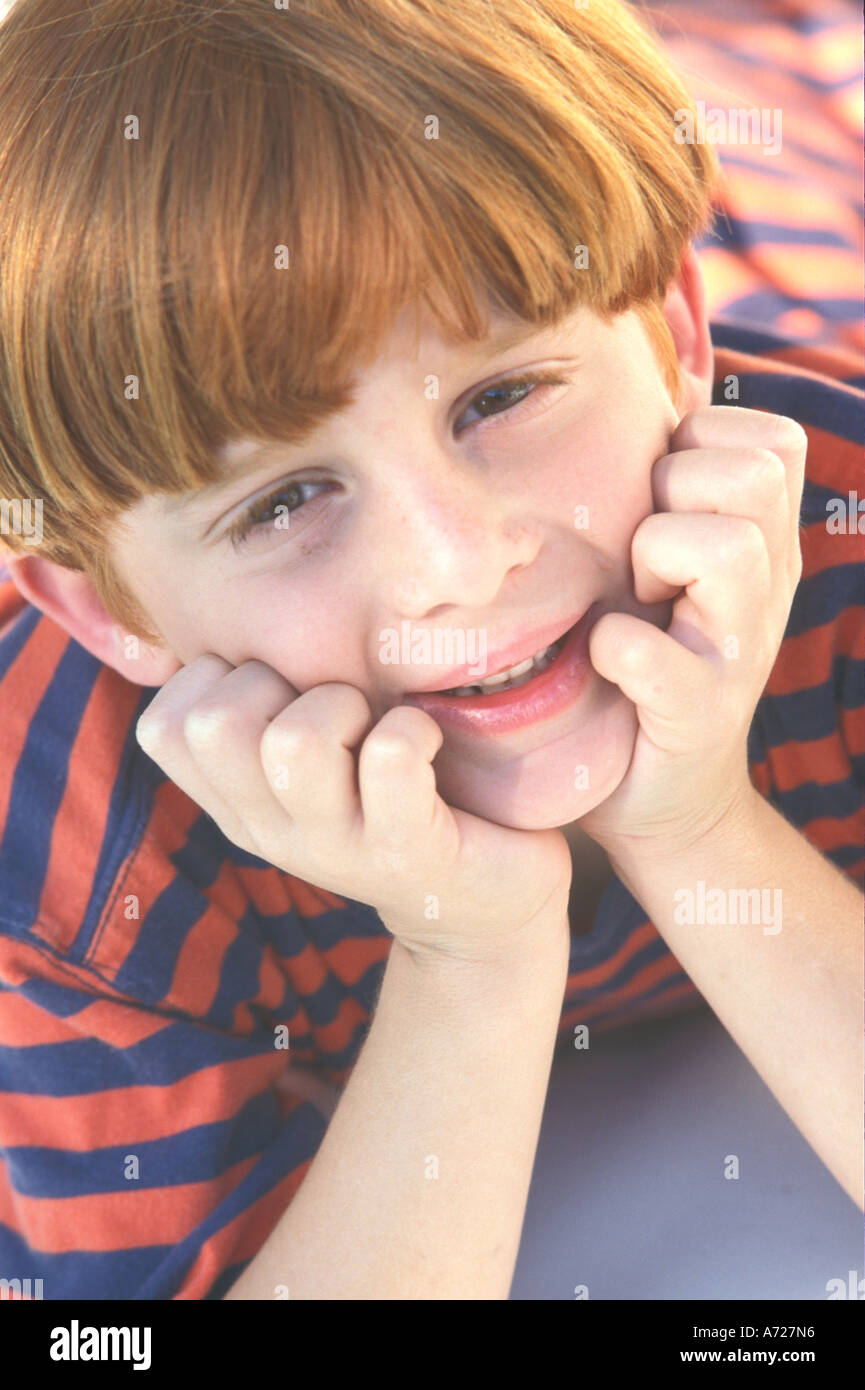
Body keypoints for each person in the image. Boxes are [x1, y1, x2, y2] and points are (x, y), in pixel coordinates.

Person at [0, 0, 861, 1300]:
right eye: (283, 500)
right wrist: (467, 952)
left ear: (672, 337)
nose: (456, 565)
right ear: (108, 610)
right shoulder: (59, 859)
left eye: (500, 396)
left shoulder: (835, 530)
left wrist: (696, 826)